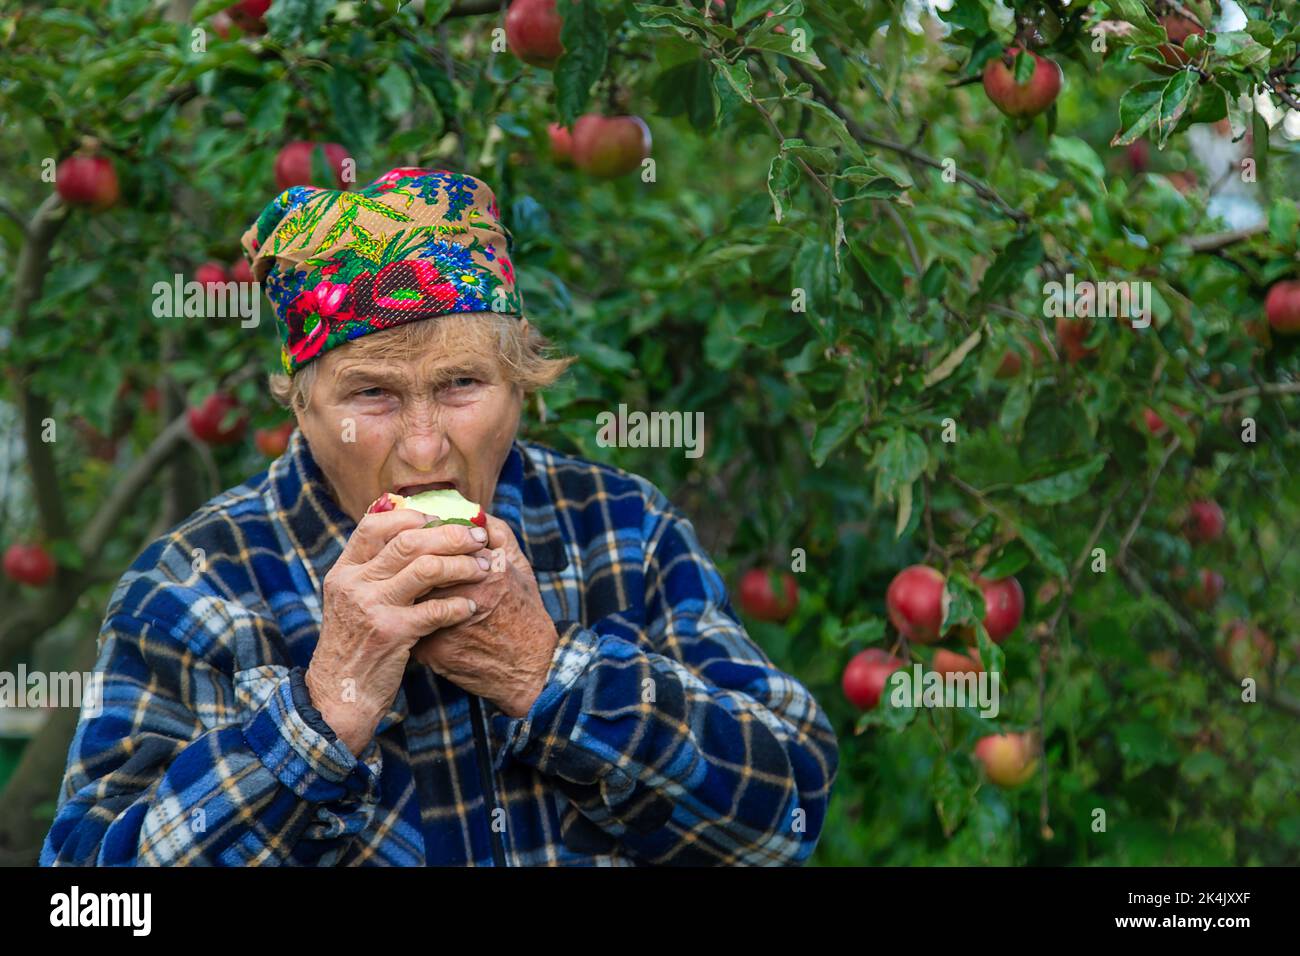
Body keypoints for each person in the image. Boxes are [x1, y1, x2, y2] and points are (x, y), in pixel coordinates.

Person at [41, 167, 839, 866]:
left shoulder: (624, 532)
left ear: (522, 385)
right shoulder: (192, 584)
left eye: (460, 384)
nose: (425, 452)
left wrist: (549, 676)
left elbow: (789, 817)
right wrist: (319, 718)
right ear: (302, 405)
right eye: (372, 394)